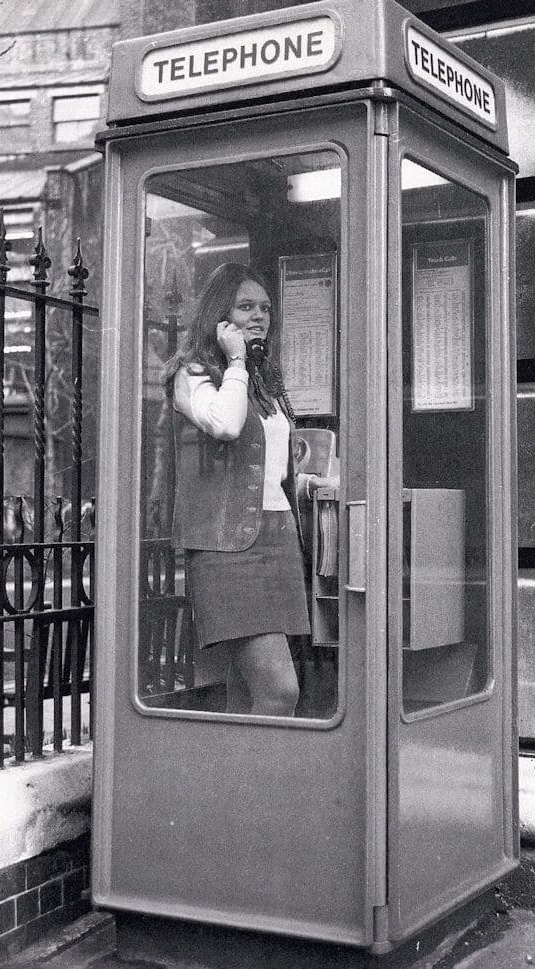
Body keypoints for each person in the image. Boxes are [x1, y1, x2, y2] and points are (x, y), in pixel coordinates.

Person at [164, 263, 334, 716]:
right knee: (280, 692)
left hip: (278, 541)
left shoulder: (260, 381)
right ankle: (265, 788)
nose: (259, 315)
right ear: (220, 317)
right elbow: (224, 424)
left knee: (246, 693)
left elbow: (268, 464)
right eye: (245, 307)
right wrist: (236, 360)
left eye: (265, 308)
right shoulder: (192, 375)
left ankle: (238, 785)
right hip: (229, 550)